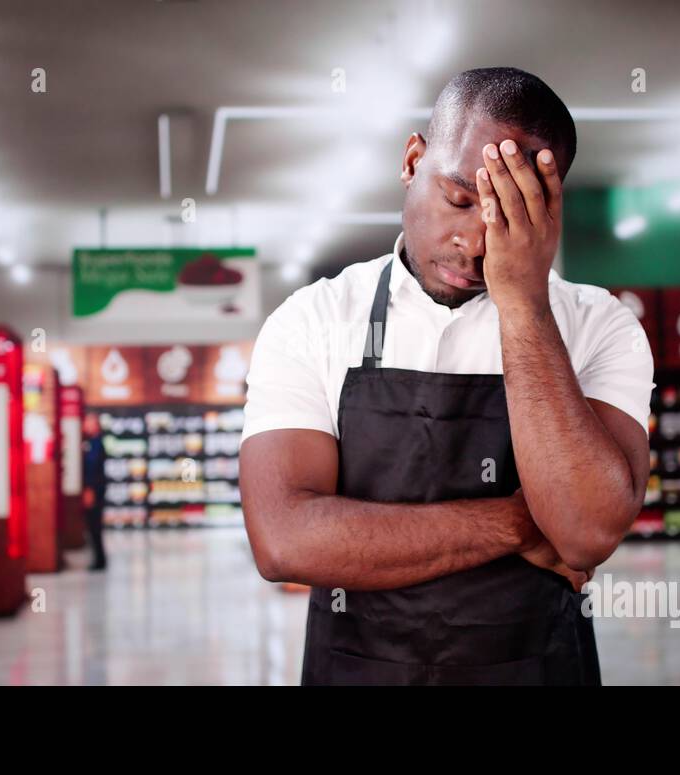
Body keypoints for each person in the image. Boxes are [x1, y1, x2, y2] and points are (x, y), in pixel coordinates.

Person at [240, 67, 654, 685]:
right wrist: (518, 522)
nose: (474, 241)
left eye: (514, 217)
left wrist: (524, 305)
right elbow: (284, 541)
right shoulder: (314, 319)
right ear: (412, 161)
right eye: (460, 199)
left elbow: (587, 532)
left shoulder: (599, 326)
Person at [80, 412, 107, 571]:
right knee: (93, 526)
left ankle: (99, 560)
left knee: (95, 525)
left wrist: (90, 490)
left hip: (95, 490)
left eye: (88, 422)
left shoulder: (96, 444)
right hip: (95, 489)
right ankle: (98, 558)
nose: (85, 425)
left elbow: (92, 468)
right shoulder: (91, 442)